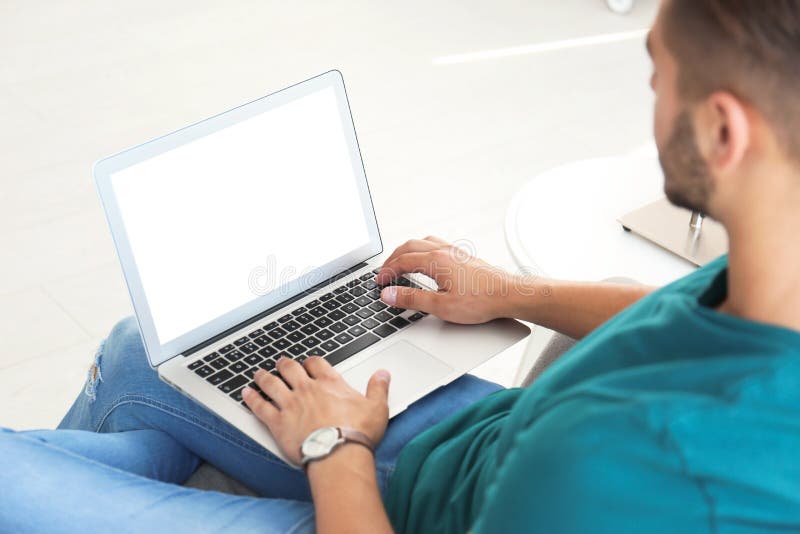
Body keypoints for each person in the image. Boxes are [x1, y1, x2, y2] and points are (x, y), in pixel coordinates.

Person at [3, 0, 800, 531]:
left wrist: (334, 448)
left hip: (400, 506)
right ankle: (154, 468)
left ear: (724, 132)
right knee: (142, 356)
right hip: (467, 447)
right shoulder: (774, 276)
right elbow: (670, 315)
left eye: (658, 71)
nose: (652, 90)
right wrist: (507, 290)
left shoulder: (620, 465)